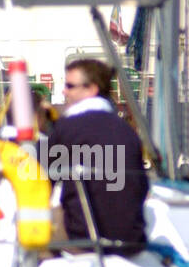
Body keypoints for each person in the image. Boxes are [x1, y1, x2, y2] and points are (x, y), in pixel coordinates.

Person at [48, 58, 149, 255]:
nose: (64, 92)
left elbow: (40, 178)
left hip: (85, 239)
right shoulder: (127, 131)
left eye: (70, 86)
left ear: (92, 89)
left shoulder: (67, 128)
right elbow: (141, 187)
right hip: (132, 241)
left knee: (28, 225)